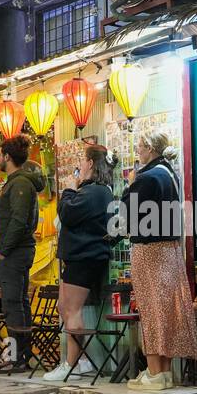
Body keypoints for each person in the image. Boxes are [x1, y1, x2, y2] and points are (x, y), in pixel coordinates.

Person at [119, 131, 197, 390]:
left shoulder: (147, 178)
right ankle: (163, 371)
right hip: (170, 249)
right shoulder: (170, 175)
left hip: (148, 250)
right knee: (165, 308)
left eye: (140, 147)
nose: (138, 152)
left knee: (151, 309)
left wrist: (130, 184)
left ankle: (155, 371)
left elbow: (127, 212)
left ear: (151, 149)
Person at [45, 143, 117, 381]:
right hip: (79, 255)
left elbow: (68, 214)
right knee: (63, 307)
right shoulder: (96, 190)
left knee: (72, 308)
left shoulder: (96, 191)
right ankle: (80, 361)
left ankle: (72, 364)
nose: (79, 165)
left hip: (84, 256)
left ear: (91, 163)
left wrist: (67, 191)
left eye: (82, 160)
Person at [0, 135, 46, 373]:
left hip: (14, 253)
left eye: (0, 155)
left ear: (7, 157)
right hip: (16, 252)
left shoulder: (20, 183)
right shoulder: (16, 182)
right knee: (18, 302)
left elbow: (18, 221)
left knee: (13, 304)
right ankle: (21, 356)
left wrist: (3, 250)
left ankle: (15, 358)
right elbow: (7, 211)